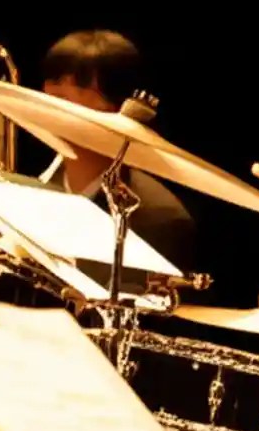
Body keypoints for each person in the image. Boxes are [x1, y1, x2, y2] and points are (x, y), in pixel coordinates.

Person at [38, 28, 197, 280]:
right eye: (53, 80)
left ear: (114, 107)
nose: (53, 93)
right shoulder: (30, 194)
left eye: (78, 82)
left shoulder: (161, 219)